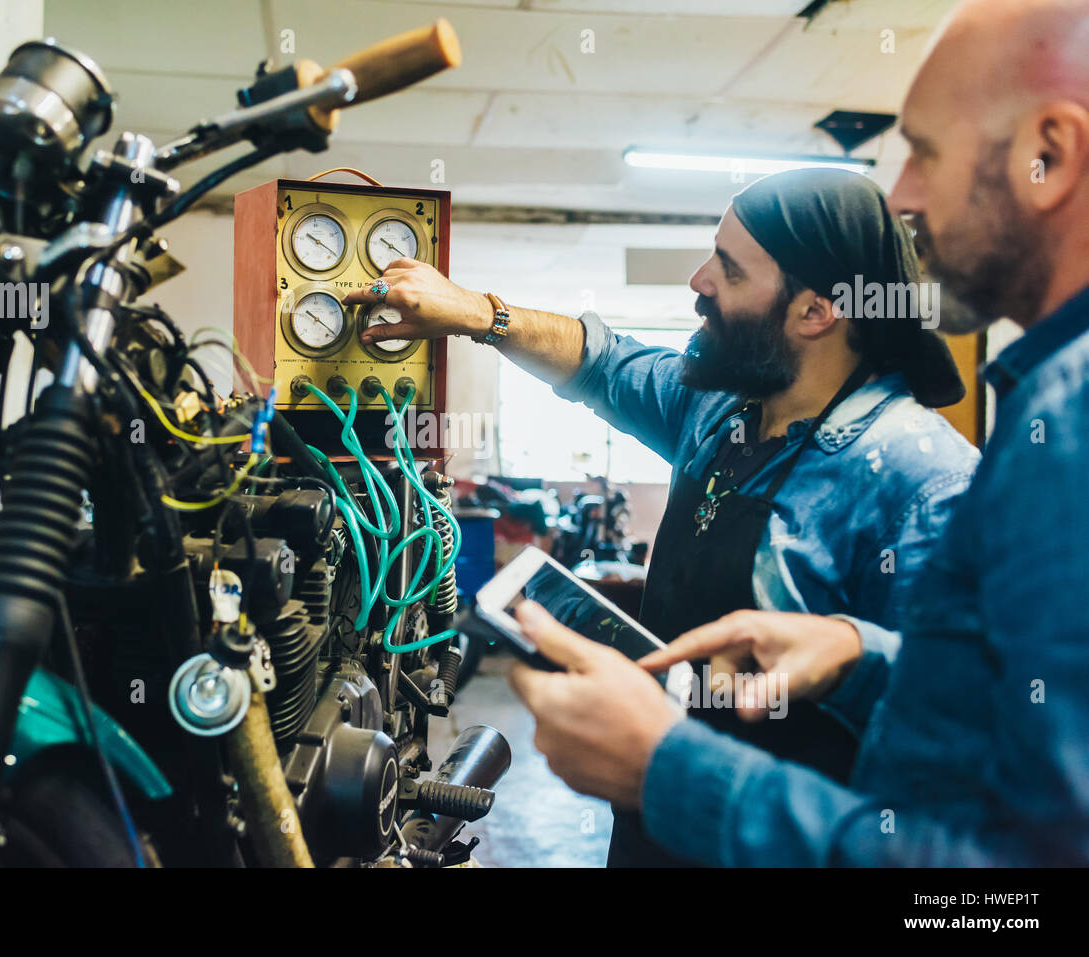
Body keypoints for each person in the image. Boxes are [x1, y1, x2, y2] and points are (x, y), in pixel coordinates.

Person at [505, 0, 1089, 866]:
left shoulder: (963, 466)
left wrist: (670, 768)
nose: (903, 195)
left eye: (925, 151)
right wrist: (858, 654)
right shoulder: (725, 414)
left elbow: (1003, 885)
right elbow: (975, 724)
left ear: (1050, 152)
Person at [344, 170, 978, 866]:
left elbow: (952, 747)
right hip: (655, 819)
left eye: (729, 269)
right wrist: (475, 313)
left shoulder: (925, 483)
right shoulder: (721, 409)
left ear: (816, 312)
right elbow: (603, 361)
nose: (698, 279)